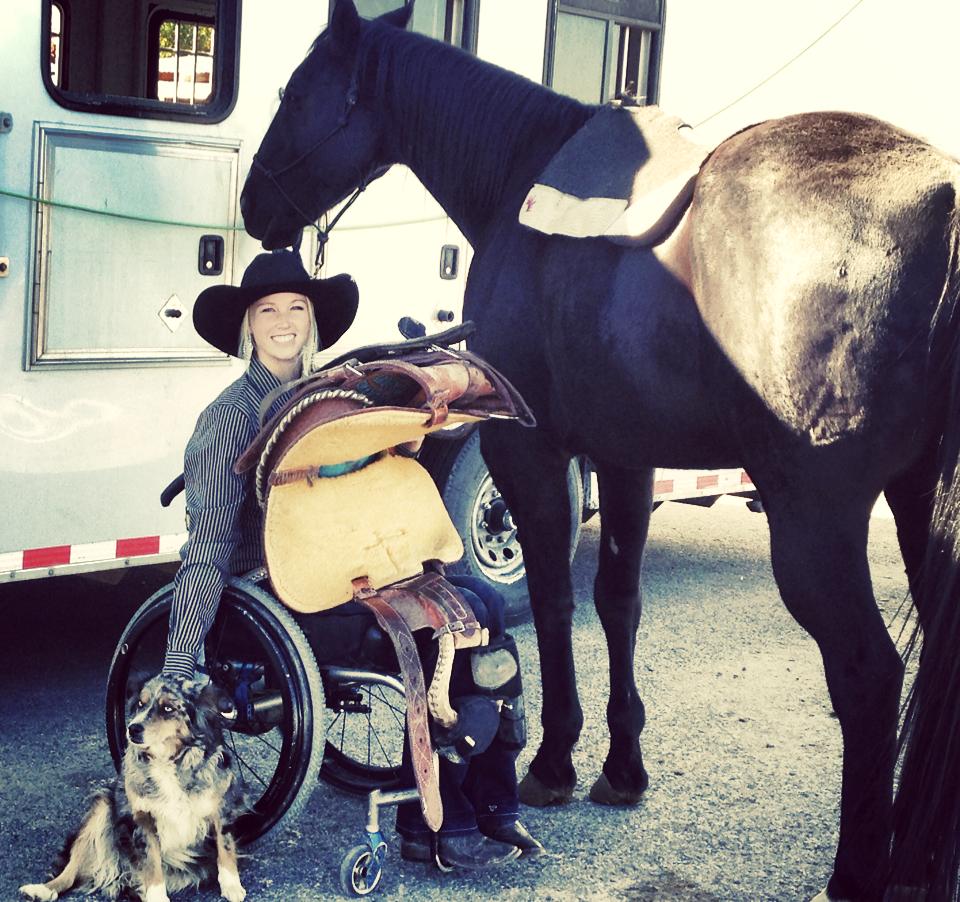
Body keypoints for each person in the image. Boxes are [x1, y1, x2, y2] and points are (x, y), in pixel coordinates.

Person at [162, 249, 543, 868]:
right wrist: (182, 655)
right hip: (274, 593)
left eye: (296, 308)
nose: (283, 322)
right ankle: (435, 822)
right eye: (267, 311)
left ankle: (496, 805)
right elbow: (207, 547)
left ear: (311, 321)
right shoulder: (230, 418)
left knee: (486, 605)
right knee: (434, 632)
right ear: (247, 327)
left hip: (343, 568)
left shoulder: (331, 400)